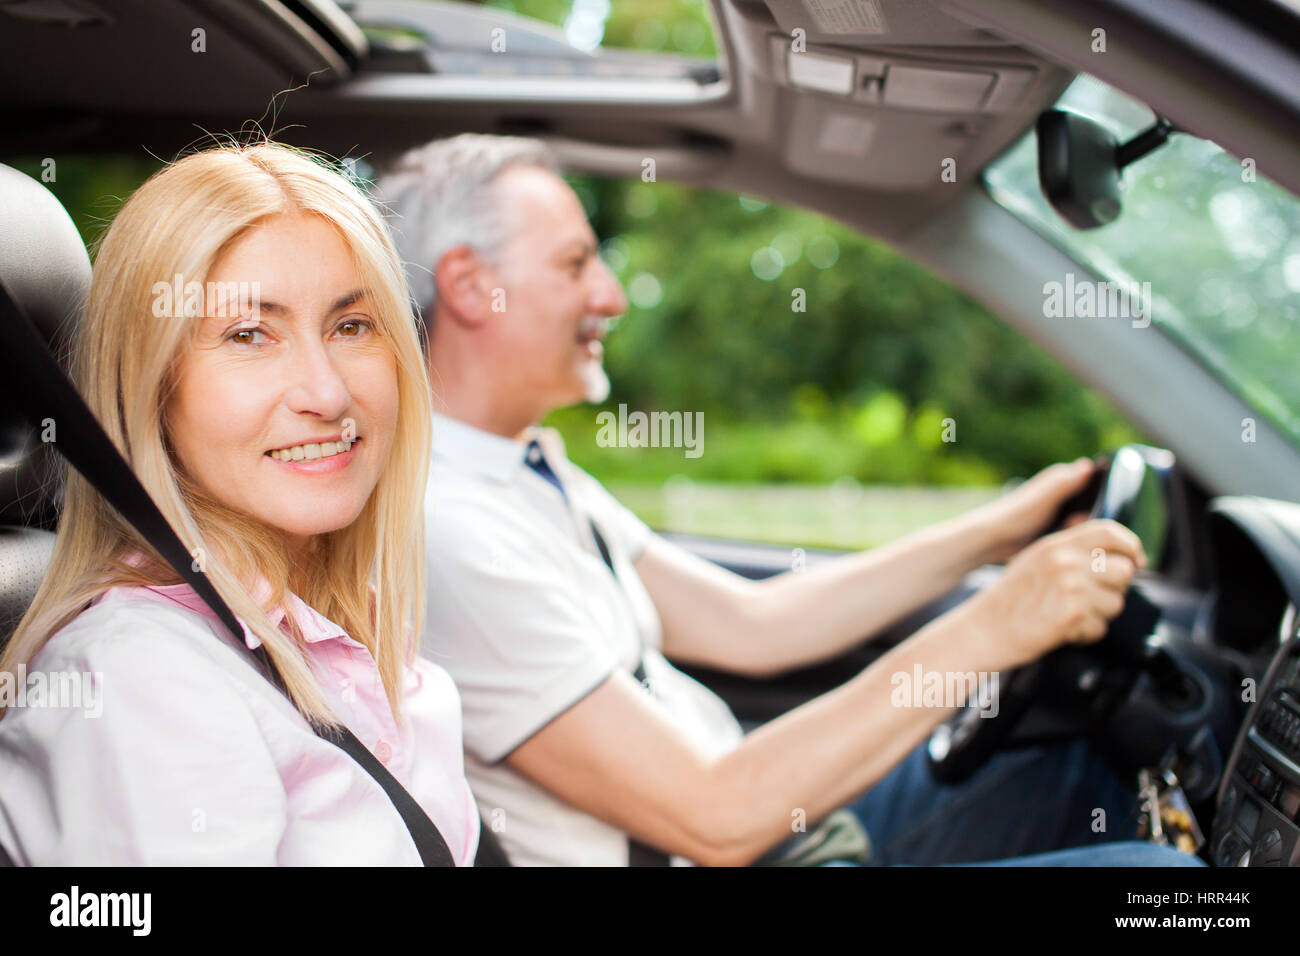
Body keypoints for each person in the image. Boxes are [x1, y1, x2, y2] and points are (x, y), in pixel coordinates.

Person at [372, 134, 1202, 867]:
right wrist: (1004, 621)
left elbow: (755, 626)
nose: (613, 297)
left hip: (783, 834)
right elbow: (716, 817)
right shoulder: (449, 530)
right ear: (474, 288)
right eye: (575, 263)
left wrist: (996, 533)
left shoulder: (522, 472)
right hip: (741, 841)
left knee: (1075, 768)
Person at [0, 142, 480, 865]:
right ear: (152, 388)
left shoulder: (358, 639)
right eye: (249, 335)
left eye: (352, 326)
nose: (326, 394)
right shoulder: (142, 684)